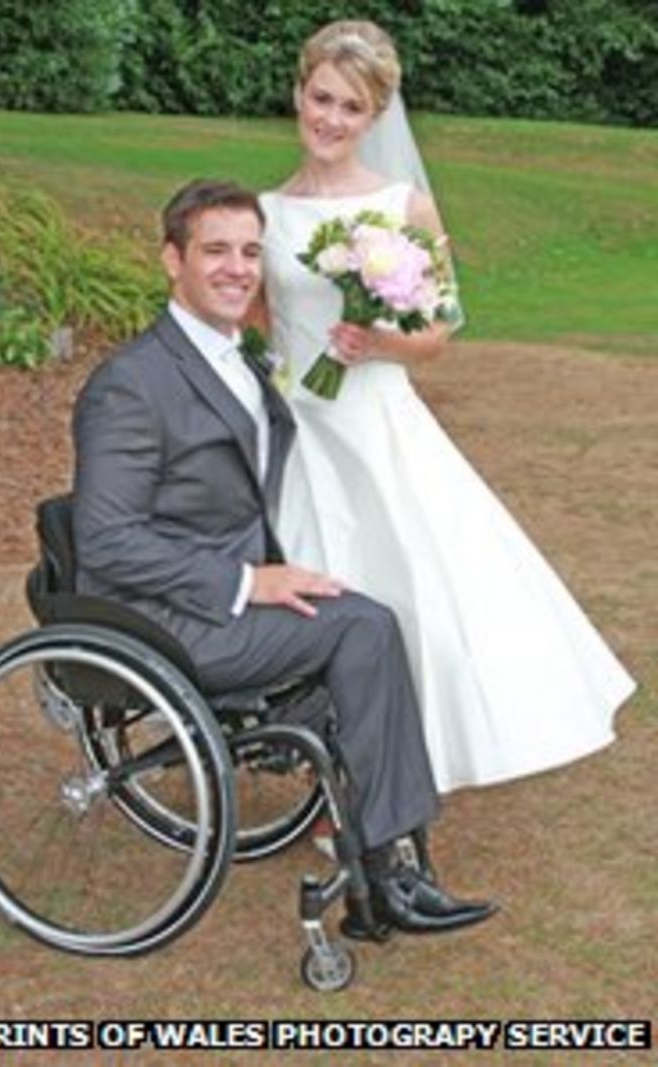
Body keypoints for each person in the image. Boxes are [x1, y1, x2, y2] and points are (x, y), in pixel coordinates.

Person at [72, 178, 496, 938]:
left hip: (219, 592)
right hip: (161, 618)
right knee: (364, 627)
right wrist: (247, 580)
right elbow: (106, 539)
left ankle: (386, 863)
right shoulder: (132, 384)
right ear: (171, 260)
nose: (237, 269)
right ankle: (386, 875)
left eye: (249, 252)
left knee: (368, 613)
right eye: (215, 251)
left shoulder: (239, 358)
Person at [258, 20, 636, 805]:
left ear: (375, 116)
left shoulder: (405, 206)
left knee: (410, 594)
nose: (331, 118)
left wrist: (377, 341)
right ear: (298, 93)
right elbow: (263, 325)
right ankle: (329, 761)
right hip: (297, 427)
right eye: (321, 98)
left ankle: (399, 766)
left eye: (351, 107)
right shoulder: (265, 213)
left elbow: (435, 336)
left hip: (376, 428)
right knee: (312, 590)